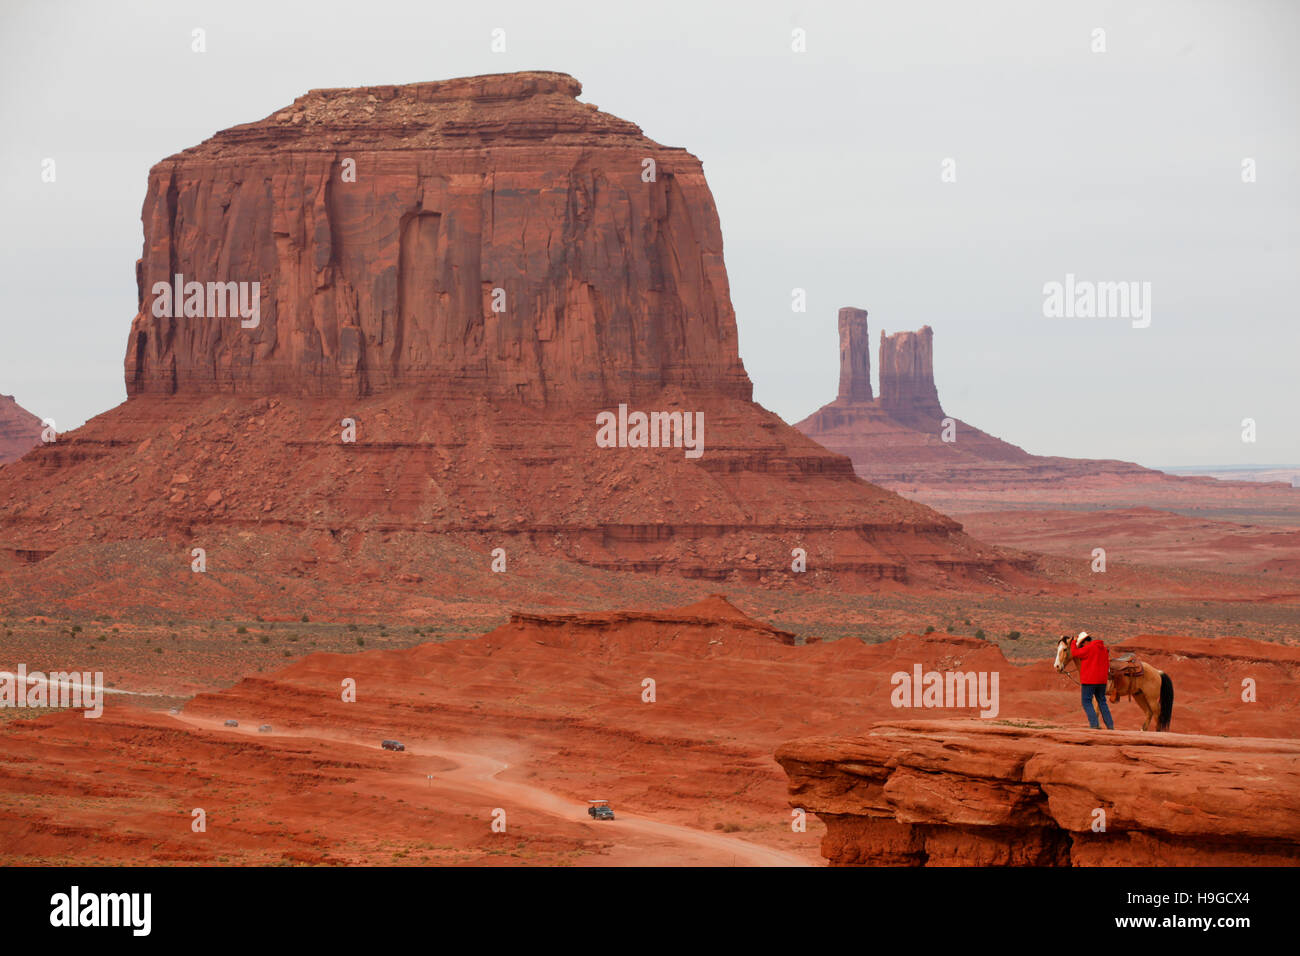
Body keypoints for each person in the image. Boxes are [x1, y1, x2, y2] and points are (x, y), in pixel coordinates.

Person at [1071, 631, 1113, 730]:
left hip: (1089, 680)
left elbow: (1074, 653)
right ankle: (1110, 726)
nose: (1081, 646)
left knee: (1086, 701)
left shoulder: (1088, 648)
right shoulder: (1103, 648)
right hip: (1102, 681)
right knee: (1102, 702)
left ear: (1085, 642)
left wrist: (1073, 642)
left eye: (1081, 644)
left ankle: (1094, 725)